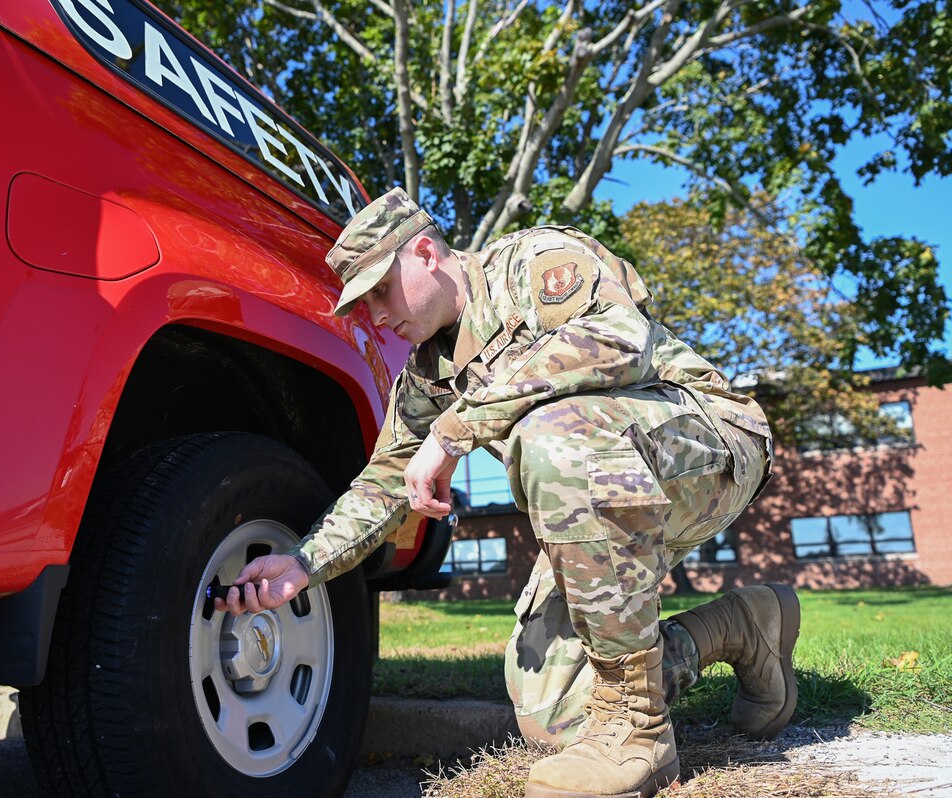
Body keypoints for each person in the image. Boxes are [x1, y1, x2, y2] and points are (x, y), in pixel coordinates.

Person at [216, 188, 799, 798]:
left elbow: (619, 337)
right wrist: (303, 564)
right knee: (555, 715)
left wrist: (455, 430)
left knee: (552, 435)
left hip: (707, 443)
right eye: (365, 304)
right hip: (602, 482)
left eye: (381, 290)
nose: (378, 316)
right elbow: (384, 482)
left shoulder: (533, 263)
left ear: (424, 253)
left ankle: (637, 731)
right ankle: (741, 626)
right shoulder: (426, 375)